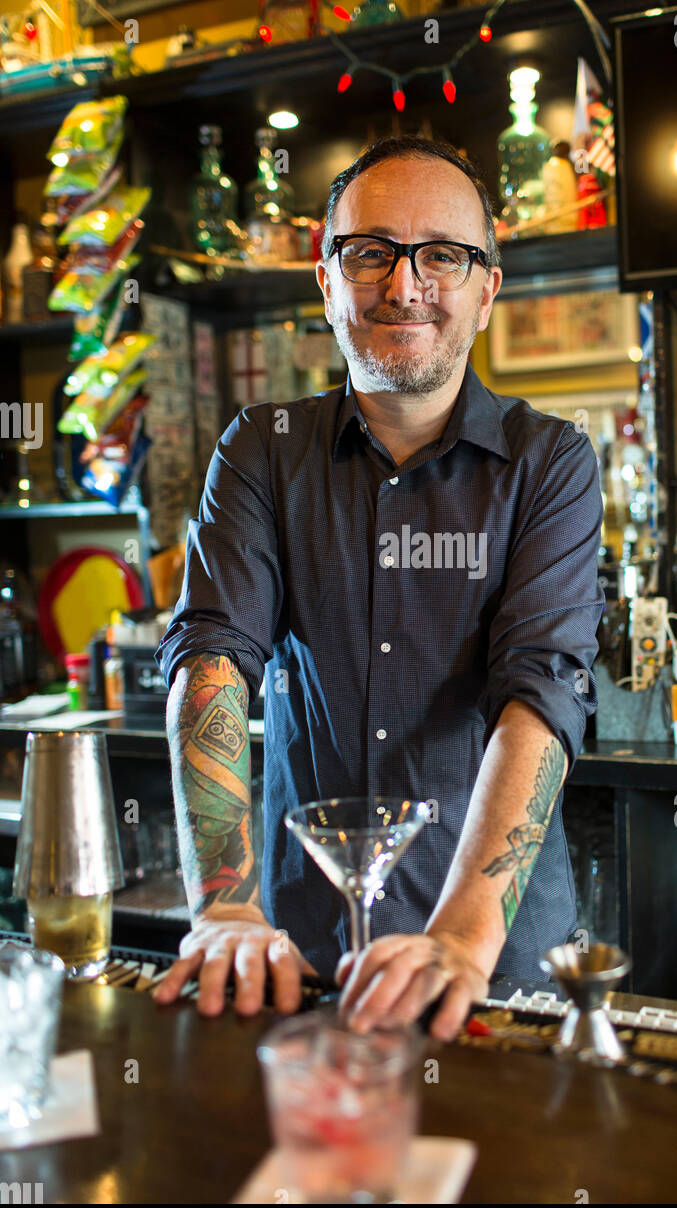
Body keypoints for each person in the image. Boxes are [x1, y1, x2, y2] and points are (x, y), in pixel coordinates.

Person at [153, 134, 604, 1039]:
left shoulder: (550, 462)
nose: (405, 287)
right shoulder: (260, 447)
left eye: (443, 255)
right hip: (298, 950)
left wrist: (464, 940)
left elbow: (542, 694)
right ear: (327, 282)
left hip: (493, 962)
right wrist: (227, 907)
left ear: (487, 289)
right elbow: (211, 657)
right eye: (371, 253)